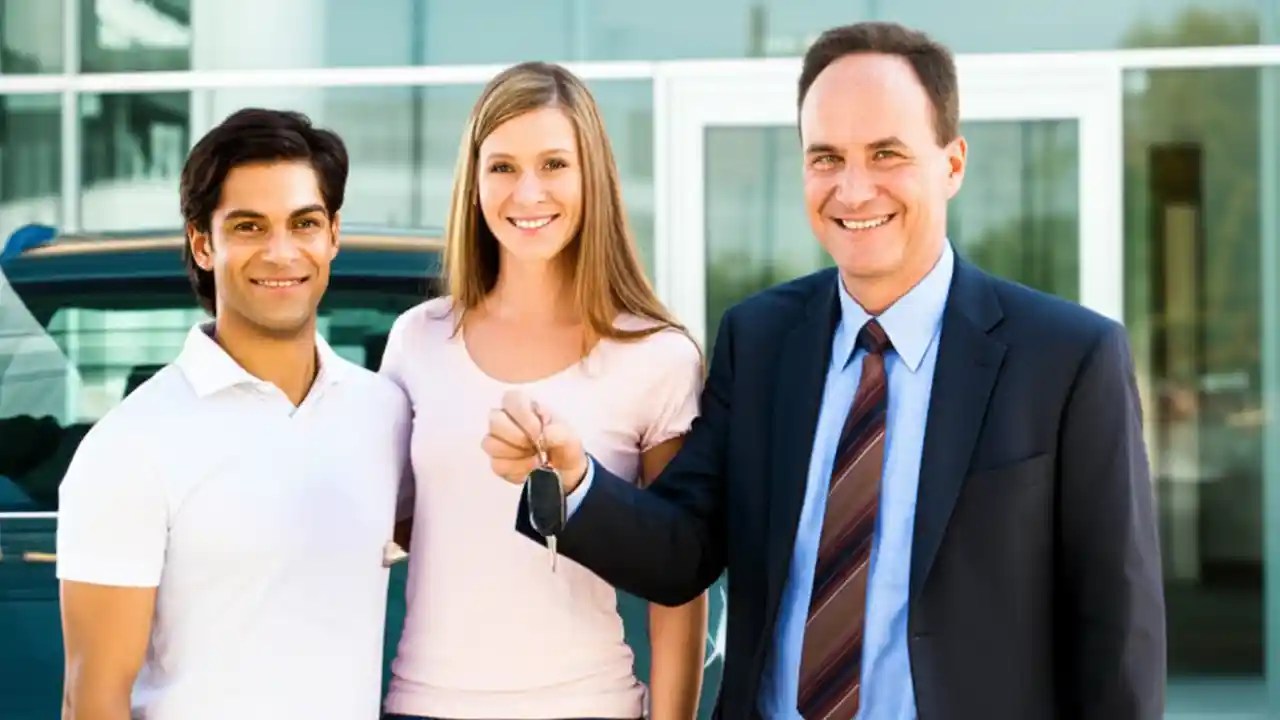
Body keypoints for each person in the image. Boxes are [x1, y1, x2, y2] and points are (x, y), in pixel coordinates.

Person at [483, 22, 1167, 720]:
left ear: (953, 163)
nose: (854, 188)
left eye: (886, 153)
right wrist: (571, 483)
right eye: (827, 157)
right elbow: (683, 551)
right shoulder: (760, 340)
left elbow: (1117, 635)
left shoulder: (1067, 359)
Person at [55, 108, 412, 720]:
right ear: (202, 242)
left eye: (304, 223)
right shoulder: (130, 444)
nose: (281, 252)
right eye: (249, 226)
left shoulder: (386, 414)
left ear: (332, 235)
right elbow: (93, 700)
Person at [378, 61, 707, 720]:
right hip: (425, 704)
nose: (527, 192)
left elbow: (679, 583)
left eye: (554, 164)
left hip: (588, 704)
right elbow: (388, 525)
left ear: (593, 179)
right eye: (502, 167)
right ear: (473, 184)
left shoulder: (657, 356)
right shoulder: (417, 340)